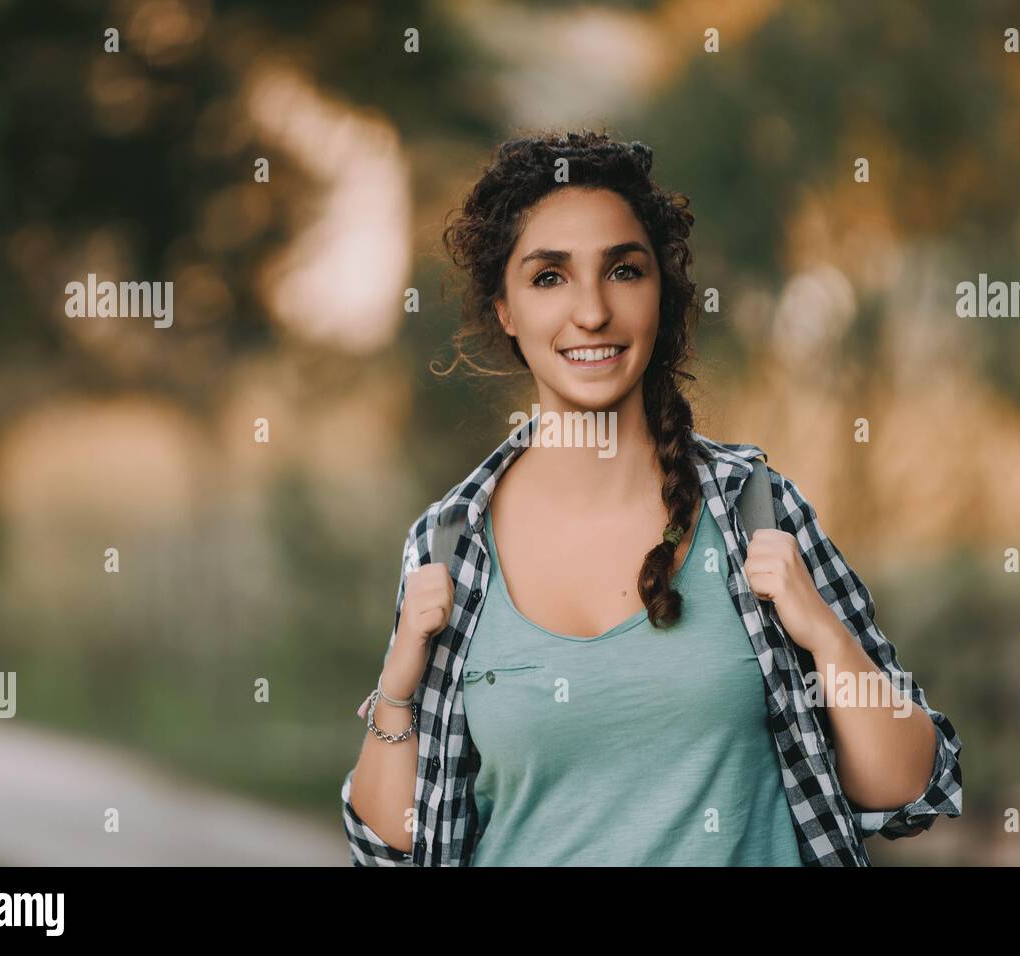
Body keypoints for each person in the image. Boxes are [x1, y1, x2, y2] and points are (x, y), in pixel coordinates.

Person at [341, 129, 962, 866]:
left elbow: (908, 789)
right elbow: (393, 847)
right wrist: (396, 690)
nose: (593, 312)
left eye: (623, 271)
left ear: (660, 292)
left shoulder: (755, 511)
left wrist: (826, 637)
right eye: (549, 278)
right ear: (504, 308)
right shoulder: (450, 542)